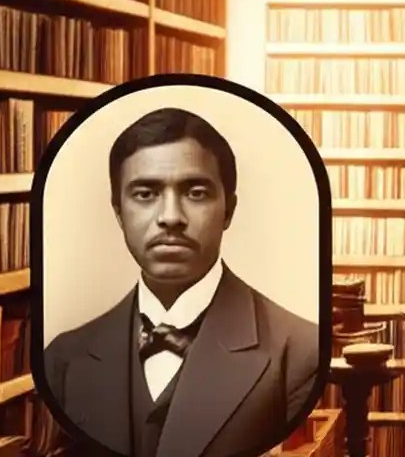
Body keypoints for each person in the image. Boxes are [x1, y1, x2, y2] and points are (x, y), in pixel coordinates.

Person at [41, 107, 320, 457]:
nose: (170, 217)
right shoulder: (63, 360)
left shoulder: (300, 354)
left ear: (228, 210)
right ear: (118, 212)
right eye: (145, 194)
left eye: (196, 193)